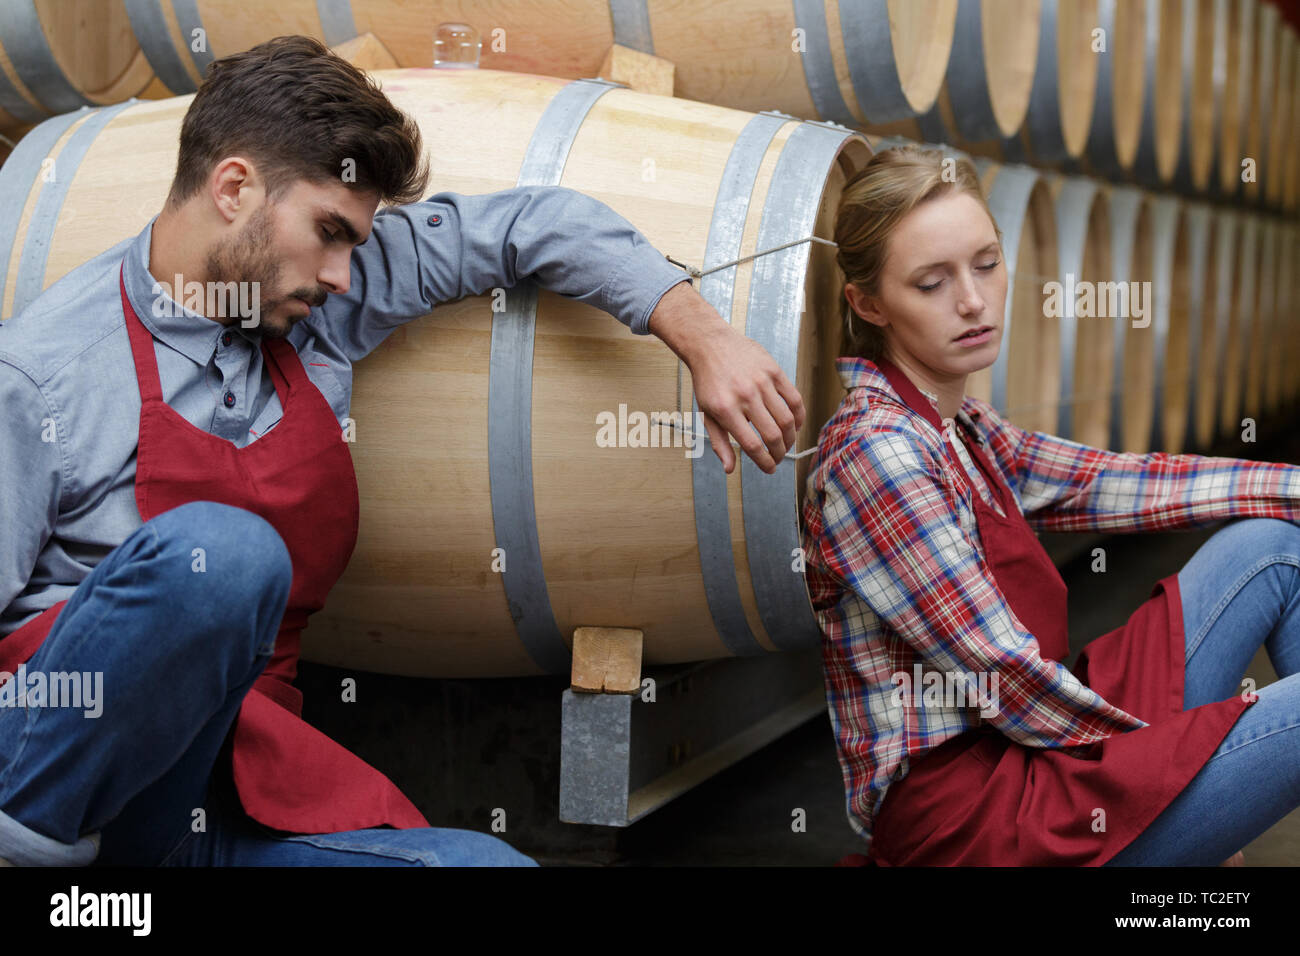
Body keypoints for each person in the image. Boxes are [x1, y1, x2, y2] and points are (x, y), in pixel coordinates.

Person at [0, 35, 804, 867]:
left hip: (219, 795)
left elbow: (533, 222)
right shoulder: (38, 376)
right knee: (223, 558)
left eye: (357, 241)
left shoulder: (310, 298)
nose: (349, 275)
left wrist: (703, 336)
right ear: (235, 187)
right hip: (60, 799)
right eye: (329, 231)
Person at [801, 143, 1300, 866]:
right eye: (932, 282)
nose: (972, 300)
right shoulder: (879, 454)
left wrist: (1292, 486)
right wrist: (1169, 764)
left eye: (986, 263)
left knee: (1274, 546)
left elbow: (1116, 482)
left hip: (1035, 748)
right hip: (976, 821)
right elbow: (1004, 675)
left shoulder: (960, 427)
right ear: (869, 304)